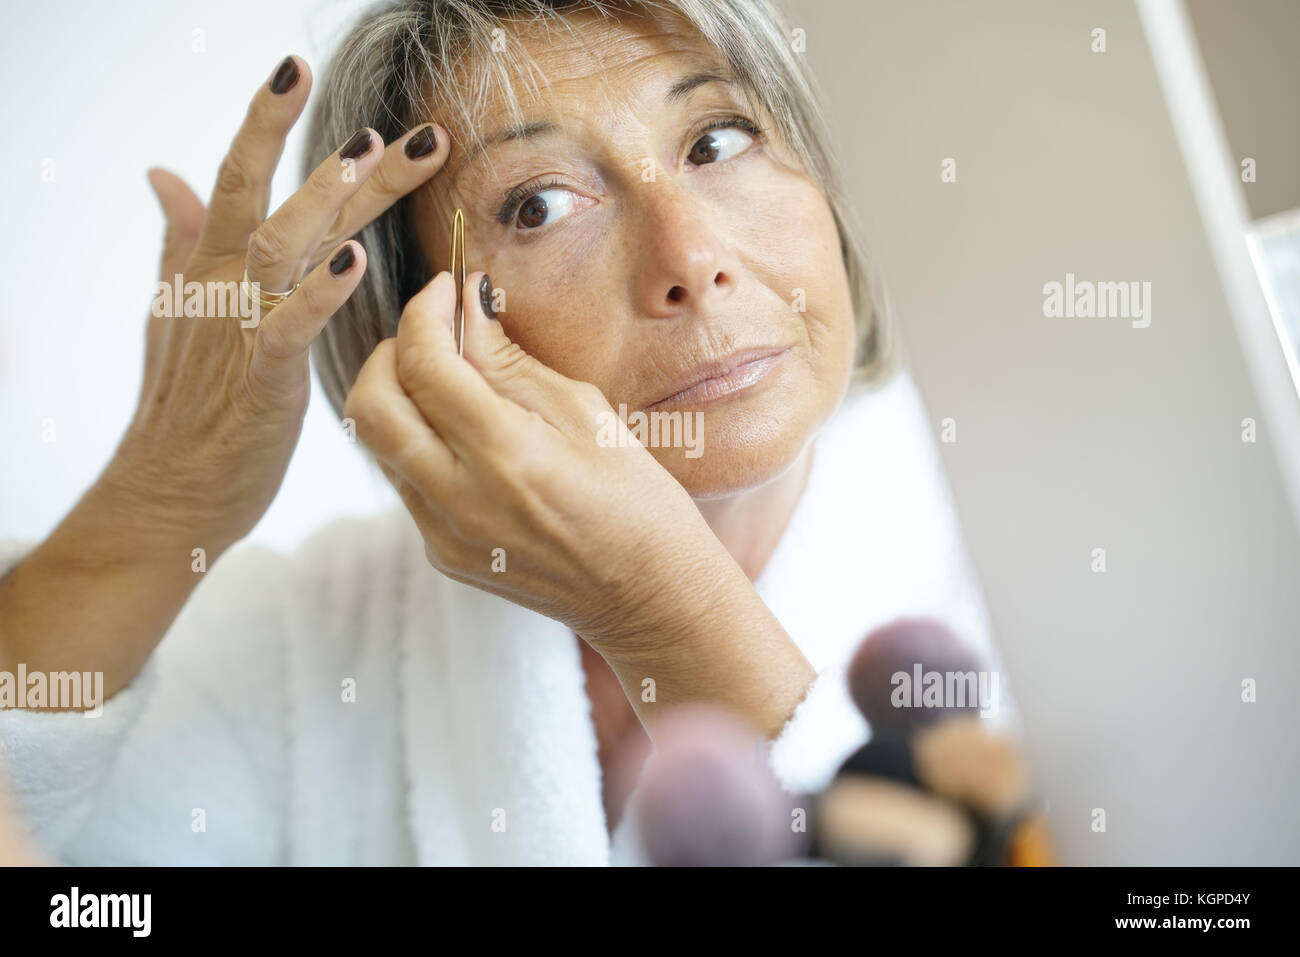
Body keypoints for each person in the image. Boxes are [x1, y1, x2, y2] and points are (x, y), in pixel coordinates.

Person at [0, 0, 1001, 865]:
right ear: (412, 322)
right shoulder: (317, 649)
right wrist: (153, 509)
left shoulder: (1031, 577)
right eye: (539, 204)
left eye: (715, 141)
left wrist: (667, 613)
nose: (690, 259)